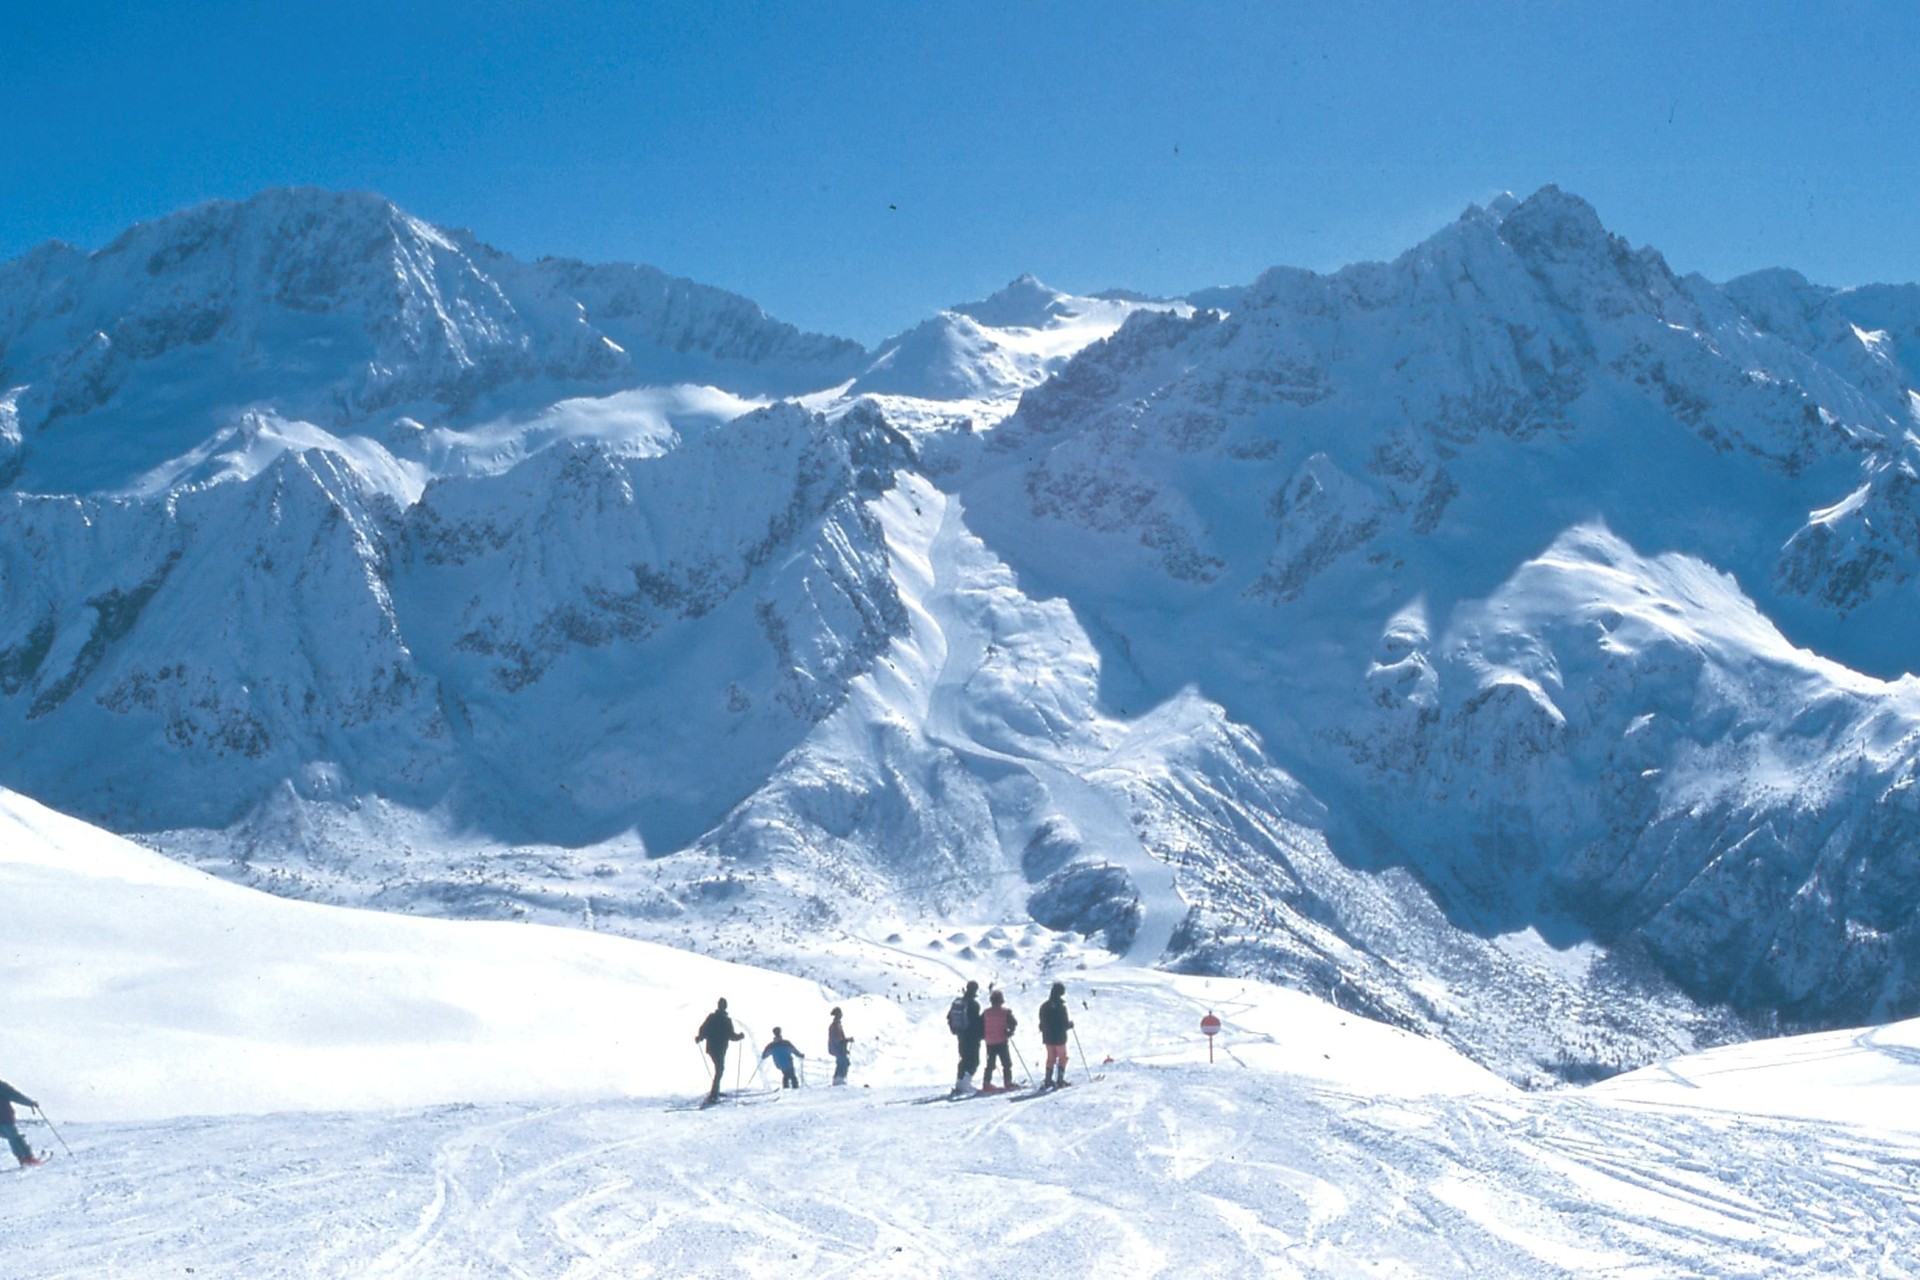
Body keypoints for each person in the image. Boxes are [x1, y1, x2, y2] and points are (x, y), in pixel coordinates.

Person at [695, 998, 746, 1102]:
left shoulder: (711, 1018)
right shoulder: (726, 1020)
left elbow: (703, 1029)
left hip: (711, 1048)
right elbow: (731, 1035)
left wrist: (700, 1037)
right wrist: (740, 1037)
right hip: (720, 1048)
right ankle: (714, 1094)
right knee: (720, 1069)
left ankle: (715, 1091)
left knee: (719, 1069)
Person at [950, 979, 984, 1094]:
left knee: (963, 1059)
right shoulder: (973, 1004)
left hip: (961, 1034)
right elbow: (976, 1023)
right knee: (973, 1061)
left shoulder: (959, 1002)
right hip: (972, 1037)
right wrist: (982, 1034)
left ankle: (960, 1084)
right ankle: (965, 1086)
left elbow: (949, 1017)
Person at [980, 989, 1018, 1092]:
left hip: (990, 1042)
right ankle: (1008, 1082)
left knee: (990, 1064)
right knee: (1006, 1063)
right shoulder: (1006, 1012)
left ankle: (986, 1083)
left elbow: (980, 1025)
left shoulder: (986, 1013)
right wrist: (1009, 1032)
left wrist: (983, 1036)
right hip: (1002, 1040)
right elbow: (1014, 1023)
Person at [1038, 981, 1075, 1088]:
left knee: (1051, 1058)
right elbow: (1064, 1023)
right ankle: (1060, 1079)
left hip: (1048, 1037)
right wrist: (1070, 1025)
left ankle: (1048, 1080)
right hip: (1059, 1037)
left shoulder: (1044, 1006)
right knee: (1062, 1057)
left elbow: (1042, 1022)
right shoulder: (1061, 1007)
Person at [0, 1079, 41, 1167]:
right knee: (12, 1137)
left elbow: (16, 1096)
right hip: (4, 1118)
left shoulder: (1, 1086)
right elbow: (15, 1096)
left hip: (4, 1117)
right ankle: (25, 1158)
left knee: (13, 1137)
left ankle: (26, 1158)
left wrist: (30, 1103)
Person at [827, 1007, 853, 1085]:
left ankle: (839, 1079)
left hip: (839, 1048)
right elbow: (838, 1038)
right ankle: (839, 1079)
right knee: (843, 1062)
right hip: (837, 1048)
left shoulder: (837, 1025)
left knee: (844, 1062)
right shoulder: (835, 1026)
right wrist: (846, 1040)